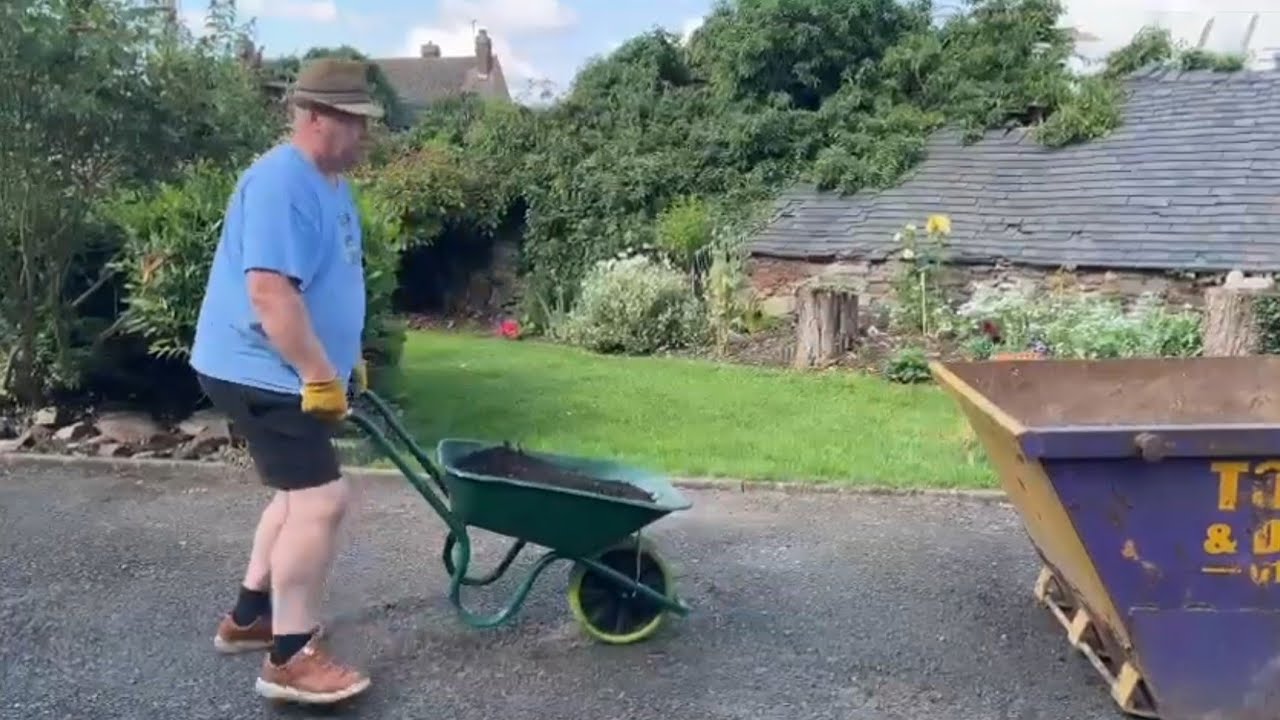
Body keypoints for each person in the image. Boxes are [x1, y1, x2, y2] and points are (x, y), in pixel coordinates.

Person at [189, 57, 383, 706]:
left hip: (281, 368)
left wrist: (345, 355)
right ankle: (290, 656)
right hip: (259, 367)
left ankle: (252, 617)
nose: (365, 135)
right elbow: (271, 294)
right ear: (315, 116)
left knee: (294, 497)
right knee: (322, 500)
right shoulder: (279, 182)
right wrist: (318, 374)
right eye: (354, 122)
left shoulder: (332, 184)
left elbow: (329, 280)